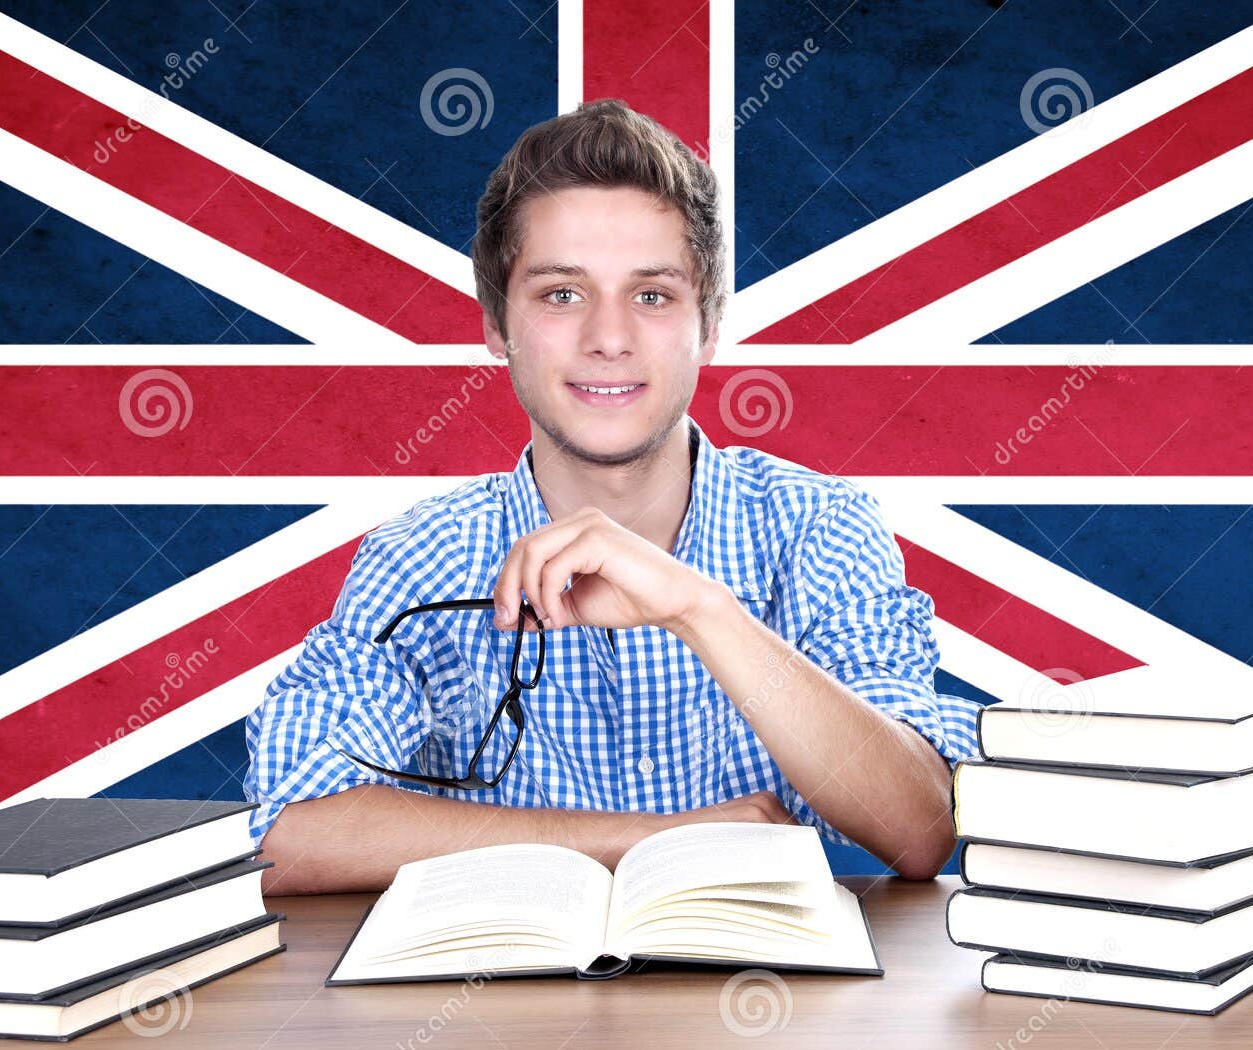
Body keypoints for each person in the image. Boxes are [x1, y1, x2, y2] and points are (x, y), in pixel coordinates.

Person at [244, 98, 980, 894]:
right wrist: (652, 842)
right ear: (496, 321)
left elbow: (920, 827)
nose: (609, 337)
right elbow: (287, 832)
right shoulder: (421, 558)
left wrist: (698, 609)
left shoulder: (817, 528)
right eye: (562, 293)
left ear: (710, 320)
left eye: (653, 295)